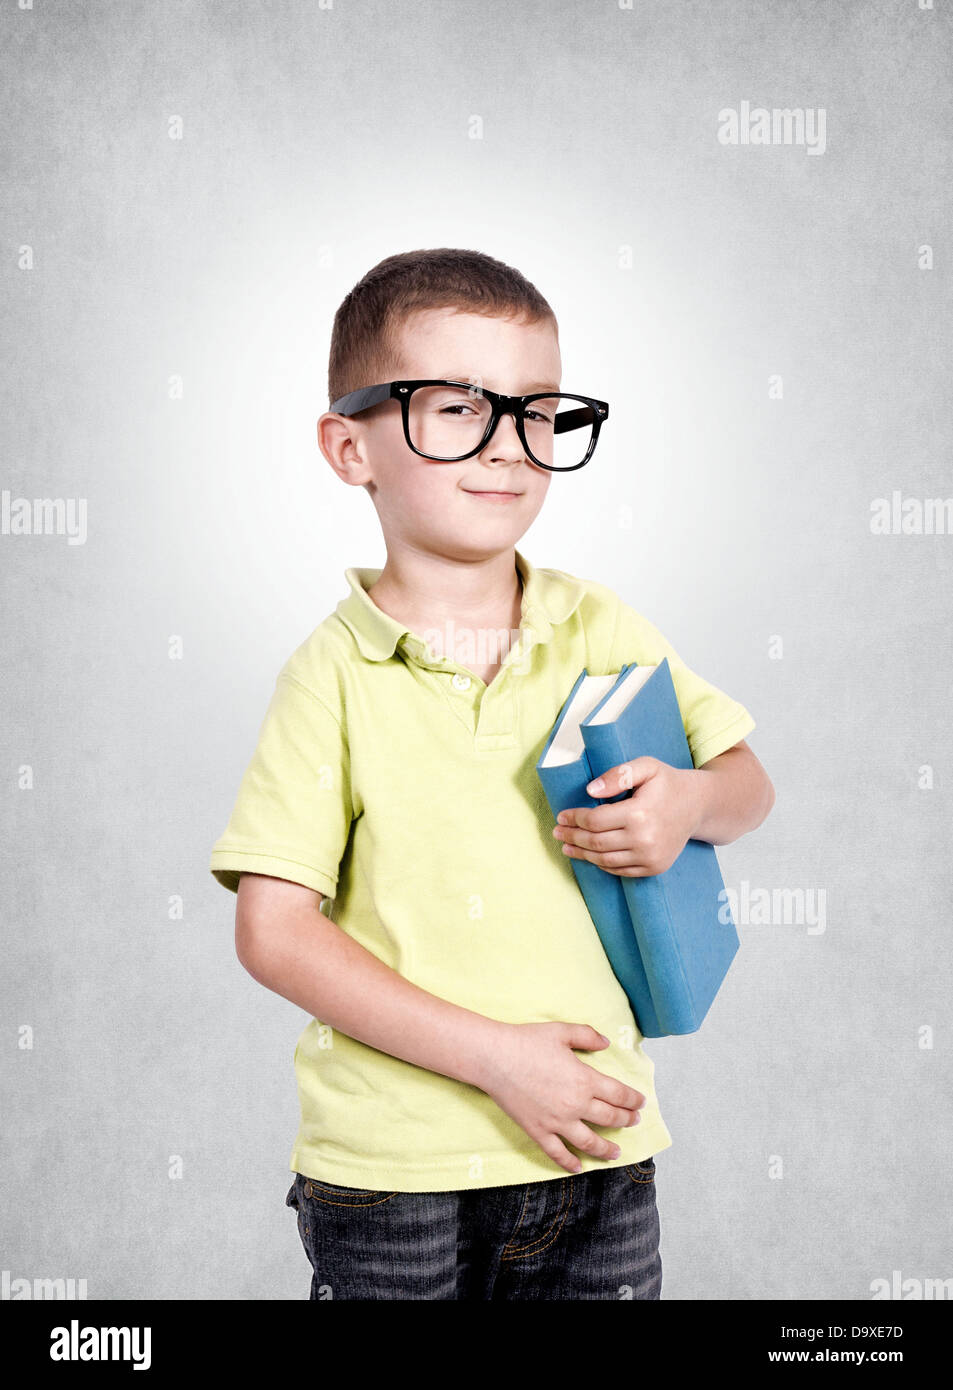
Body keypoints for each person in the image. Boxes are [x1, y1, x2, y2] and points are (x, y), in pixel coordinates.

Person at [209, 247, 775, 1300]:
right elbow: (274, 928)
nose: (509, 448)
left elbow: (745, 782)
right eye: (458, 409)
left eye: (538, 412)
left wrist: (689, 800)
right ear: (350, 446)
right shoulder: (330, 674)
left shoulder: (596, 623)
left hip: (592, 1142)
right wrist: (493, 1057)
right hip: (393, 1168)